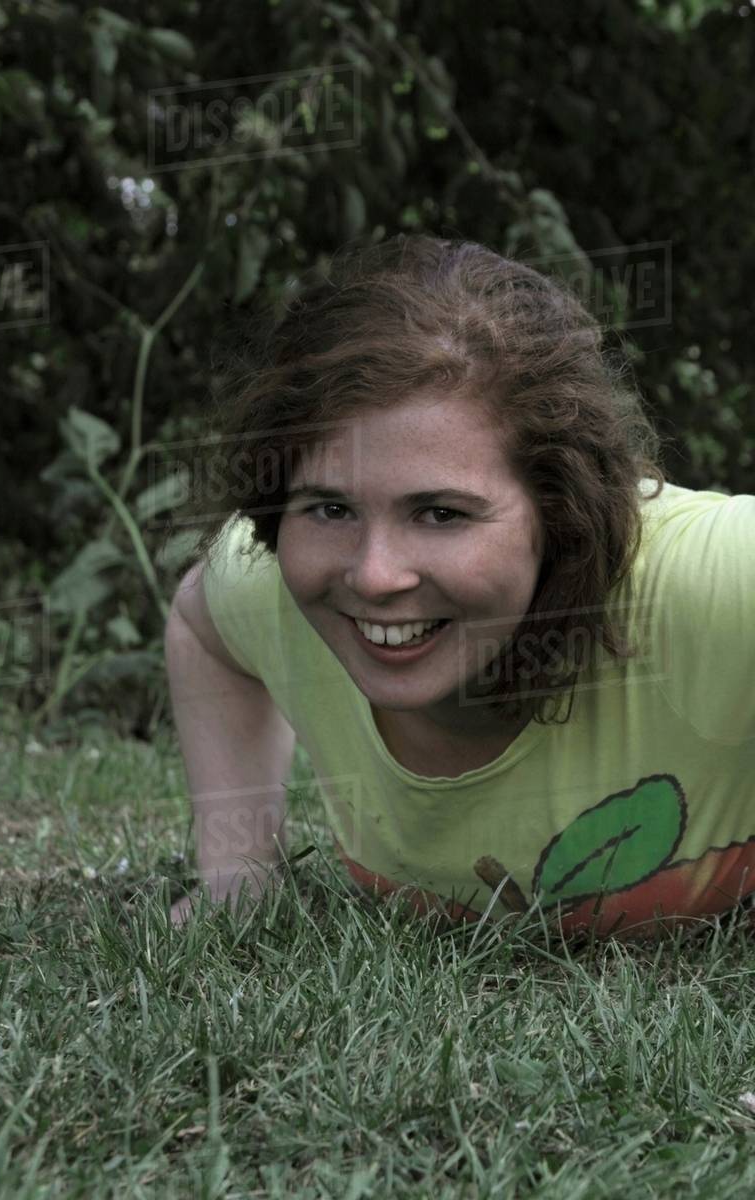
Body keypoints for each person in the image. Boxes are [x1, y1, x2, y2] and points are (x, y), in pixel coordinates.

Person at [165, 233, 755, 939]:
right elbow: (201, 630)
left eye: (442, 513)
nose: (375, 575)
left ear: (562, 511)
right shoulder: (272, 584)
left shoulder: (703, 581)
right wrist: (238, 873)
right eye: (330, 507)